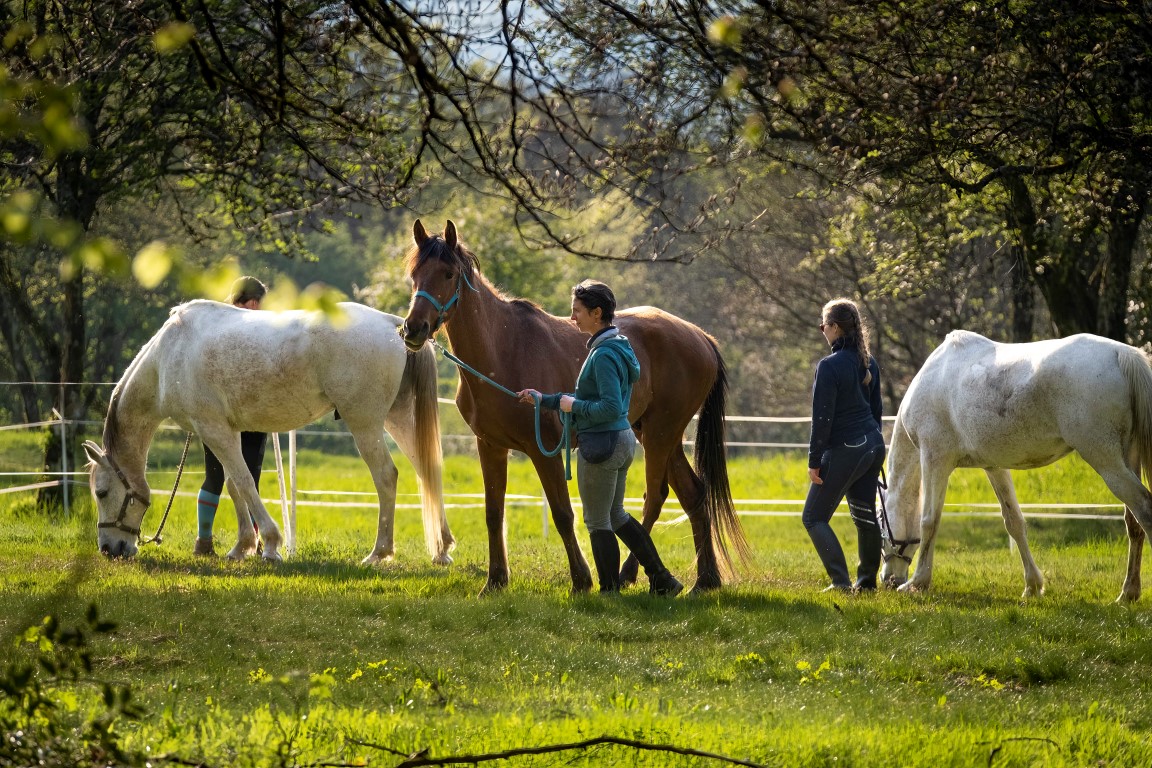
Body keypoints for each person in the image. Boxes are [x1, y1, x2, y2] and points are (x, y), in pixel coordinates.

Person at [516, 280, 683, 597]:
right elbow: (596, 399)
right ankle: (662, 578)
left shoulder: (603, 355)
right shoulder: (617, 346)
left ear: (597, 313)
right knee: (616, 515)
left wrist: (573, 406)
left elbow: (608, 406)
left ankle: (609, 591)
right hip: (620, 439)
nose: (572, 318)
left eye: (577, 312)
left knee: (597, 521)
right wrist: (545, 399)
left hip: (602, 443)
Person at [803, 297, 885, 593]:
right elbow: (876, 412)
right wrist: (874, 450)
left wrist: (814, 461)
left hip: (847, 448)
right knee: (864, 516)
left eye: (823, 325)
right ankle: (866, 584)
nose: (822, 330)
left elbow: (821, 418)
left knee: (813, 517)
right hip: (873, 445)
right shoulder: (869, 362)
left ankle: (840, 582)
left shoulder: (829, 366)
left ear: (835, 327)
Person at [193, 276, 270, 557]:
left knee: (231, 478)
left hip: (235, 416)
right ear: (250, 303)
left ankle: (226, 542)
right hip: (236, 416)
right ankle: (217, 543)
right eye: (259, 305)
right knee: (232, 478)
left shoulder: (226, 329)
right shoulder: (244, 332)